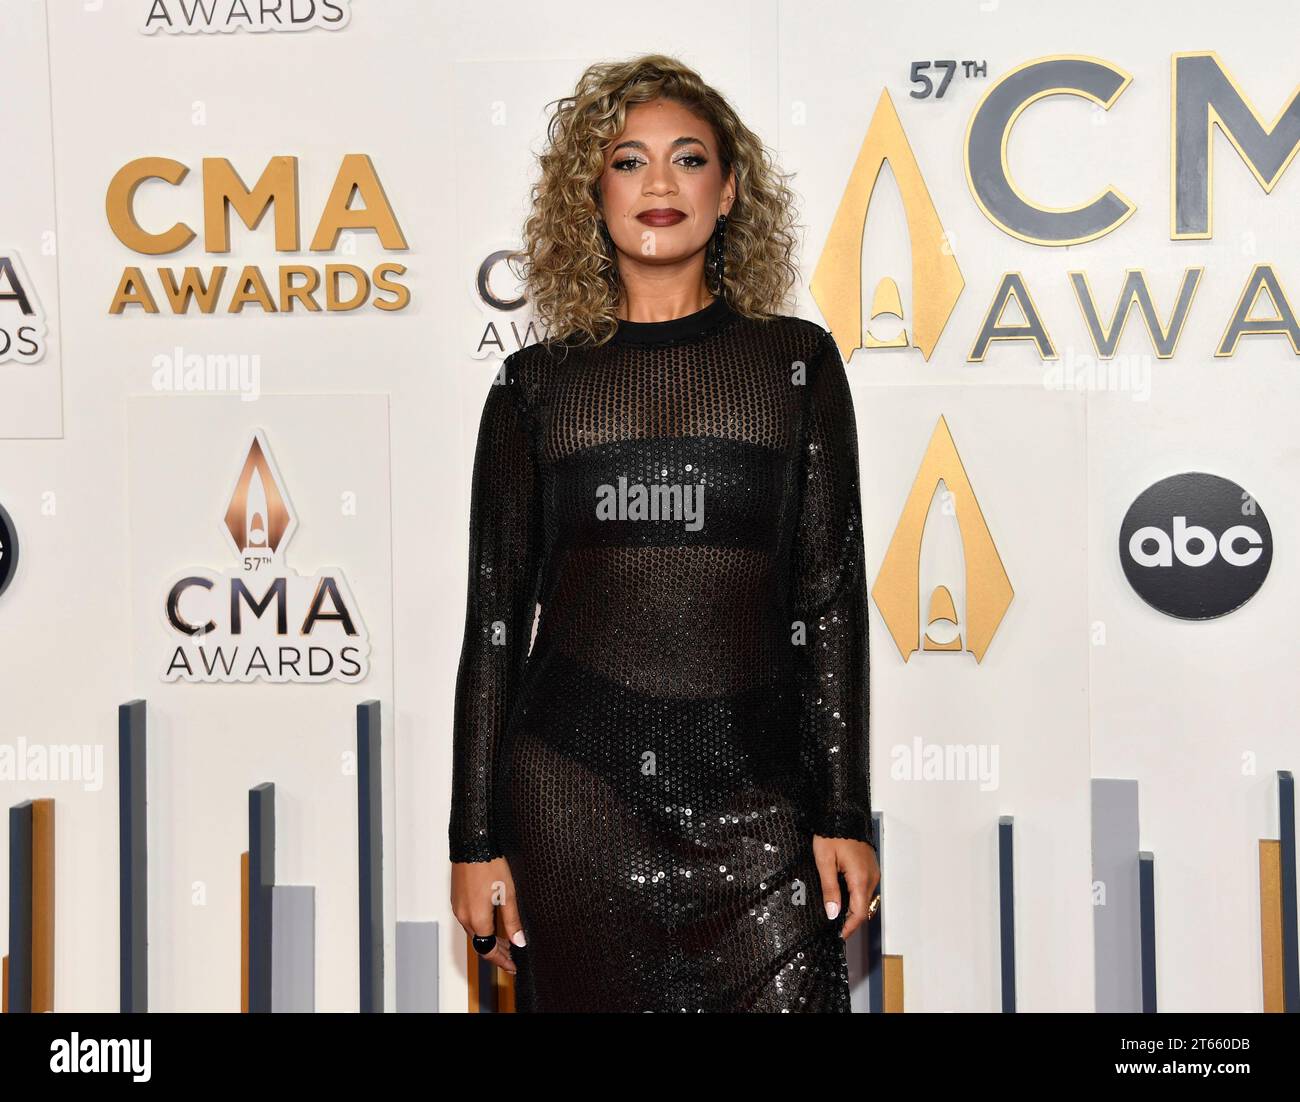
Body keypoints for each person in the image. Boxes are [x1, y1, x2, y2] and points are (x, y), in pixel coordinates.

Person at [449, 52, 880, 1012]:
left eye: (688, 159)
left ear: (728, 194)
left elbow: (828, 596)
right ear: (591, 196)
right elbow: (493, 622)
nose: (659, 184)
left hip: (762, 806)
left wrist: (843, 810)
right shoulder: (536, 388)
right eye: (628, 161)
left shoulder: (795, 364)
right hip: (575, 805)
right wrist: (473, 839)